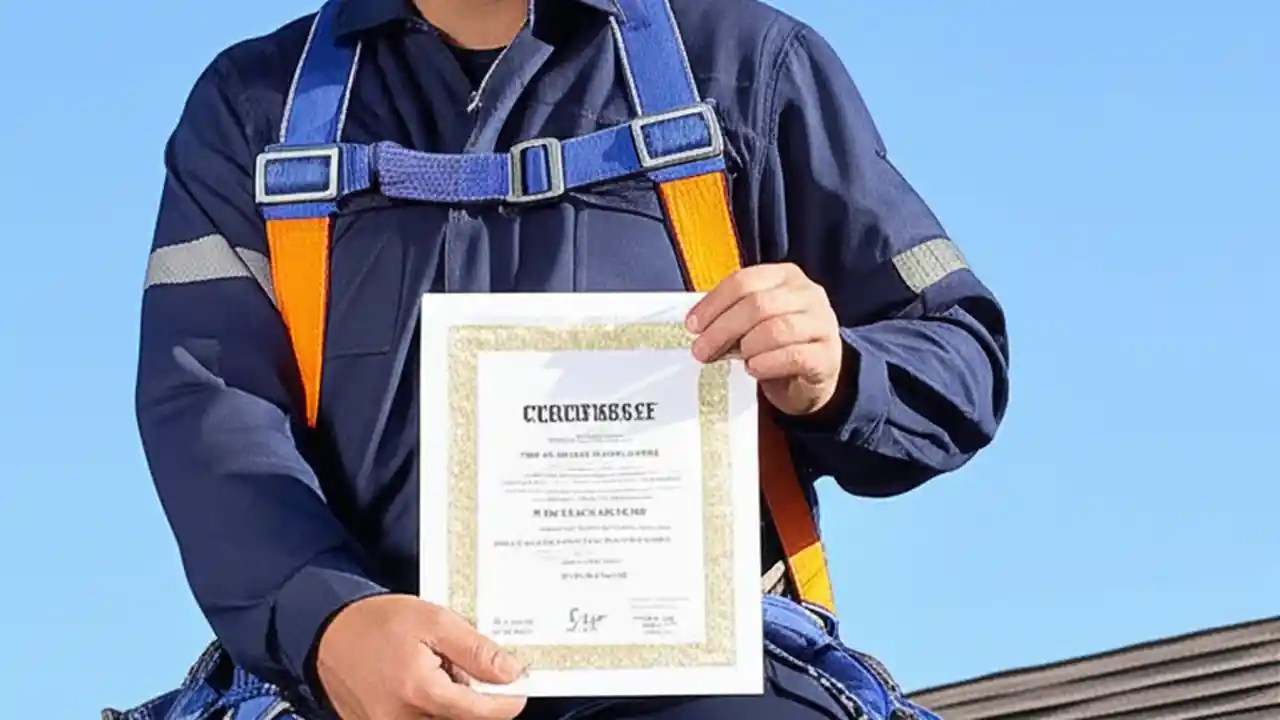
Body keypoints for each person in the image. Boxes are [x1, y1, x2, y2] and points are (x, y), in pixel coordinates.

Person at [115, 0, 1009, 718]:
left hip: (703, 677)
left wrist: (837, 372)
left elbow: (956, 354)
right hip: (349, 677)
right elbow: (209, 405)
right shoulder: (254, 108)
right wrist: (330, 622)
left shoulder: (747, 68)